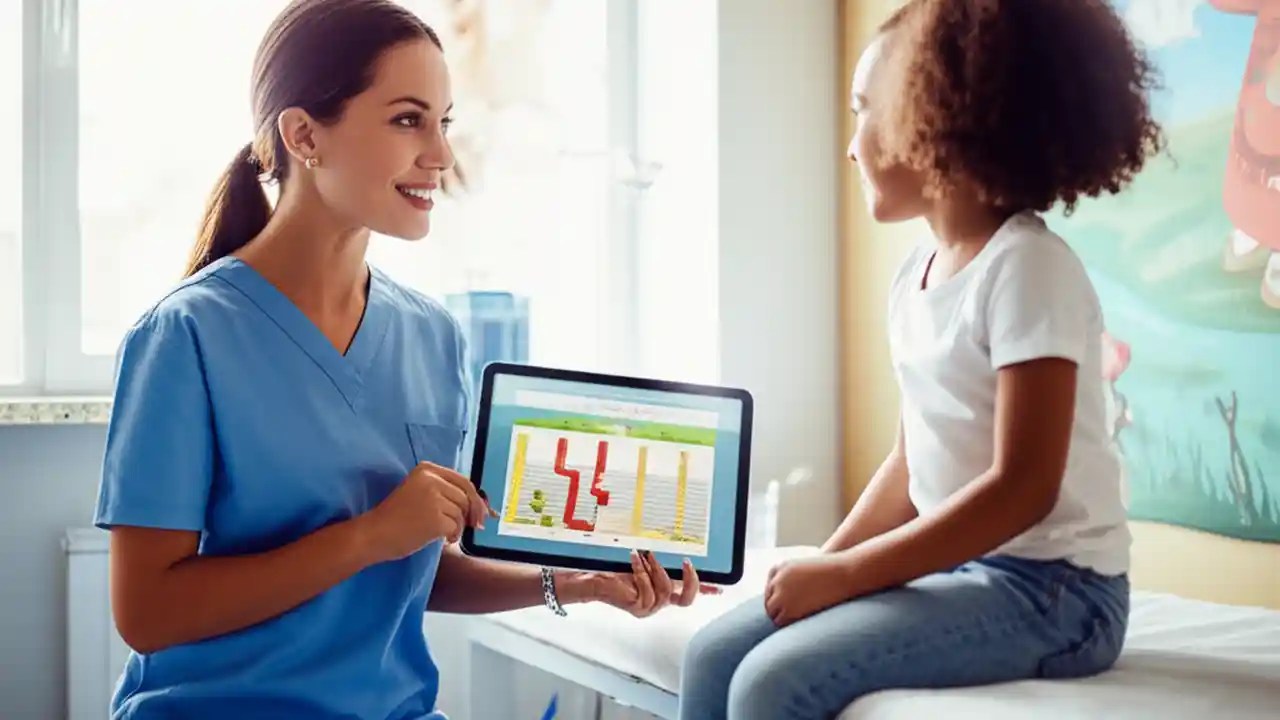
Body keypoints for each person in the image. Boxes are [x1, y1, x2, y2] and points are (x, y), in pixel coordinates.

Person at [94, 1, 714, 718]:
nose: (441, 155)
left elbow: (408, 567)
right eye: (408, 120)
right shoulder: (185, 336)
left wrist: (574, 583)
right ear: (304, 135)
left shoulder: (433, 337)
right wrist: (368, 536)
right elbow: (149, 613)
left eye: (443, 121)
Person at [679, 1, 1163, 718]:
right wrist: (824, 565)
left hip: (1059, 592)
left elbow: (1023, 488)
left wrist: (847, 575)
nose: (852, 148)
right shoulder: (916, 275)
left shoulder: (1029, 268)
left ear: (935, 117)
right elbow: (911, 468)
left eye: (863, 112)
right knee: (713, 654)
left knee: (771, 683)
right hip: (967, 570)